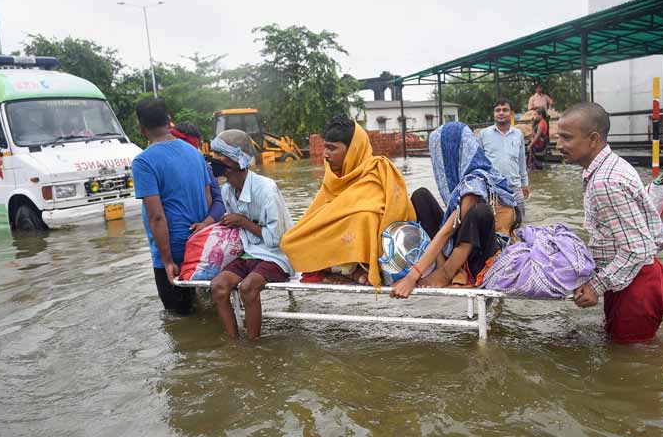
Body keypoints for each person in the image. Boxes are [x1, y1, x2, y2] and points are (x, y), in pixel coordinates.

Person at [556, 102, 663, 343]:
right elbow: (649, 236)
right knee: (626, 350)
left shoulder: (605, 182)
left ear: (593, 139)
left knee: (631, 365)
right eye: (559, 137)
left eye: (566, 138)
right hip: (633, 278)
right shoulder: (609, 168)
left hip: (637, 285)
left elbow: (635, 249)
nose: (559, 146)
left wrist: (595, 286)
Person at [280, 114, 416, 287]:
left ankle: (355, 269)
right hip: (343, 246)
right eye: (324, 147)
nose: (325, 154)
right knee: (289, 241)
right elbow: (318, 214)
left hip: (380, 251)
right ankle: (346, 269)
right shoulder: (333, 176)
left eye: (332, 148)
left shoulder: (375, 172)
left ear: (353, 149)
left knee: (364, 217)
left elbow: (382, 213)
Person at [391, 122, 517, 298]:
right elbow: (451, 226)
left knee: (479, 211)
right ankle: (442, 264)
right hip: (461, 239)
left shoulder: (474, 183)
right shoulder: (460, 184)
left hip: (482, 250)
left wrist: (412, 277)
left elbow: (446, 232)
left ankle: (447, 273)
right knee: (420, 196)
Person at [132, 98, 220, 315]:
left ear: (141, 129)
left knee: (179, 320)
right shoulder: (195, 154)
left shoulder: (143, 162)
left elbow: (156, 217)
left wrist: (167, 260)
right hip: (201, 247)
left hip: (174, 249)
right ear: (169, 121)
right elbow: (208, 200)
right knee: (208, 313)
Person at [207, 130, 294, 340]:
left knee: (247, 288)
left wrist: (242, 221)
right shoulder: (227, 190)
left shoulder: (266, 190)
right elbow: (236, 230)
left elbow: (277, 239)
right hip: (248, 253)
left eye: (219, 155)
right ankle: (235, 344)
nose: (214, 160)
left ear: (237, 162)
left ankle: (253, 345)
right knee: (217, 286)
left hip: (276, 255)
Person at [479, 98, 530, 219]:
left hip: (515, 187)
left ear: (511, 114)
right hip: (492, 188)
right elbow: (479, 162)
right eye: (498, 110)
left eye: (505, 110)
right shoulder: (484, 134)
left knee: (519, 221)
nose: (501, 113)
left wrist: (525, 183)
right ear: (494, 114)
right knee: (494, 223)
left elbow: (522, 161)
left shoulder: (518, 134)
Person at [170, 121, 225, 227]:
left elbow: (219, 200)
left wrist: (205, 223)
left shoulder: (204, 167)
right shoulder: (162, 165)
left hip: (197, 230)